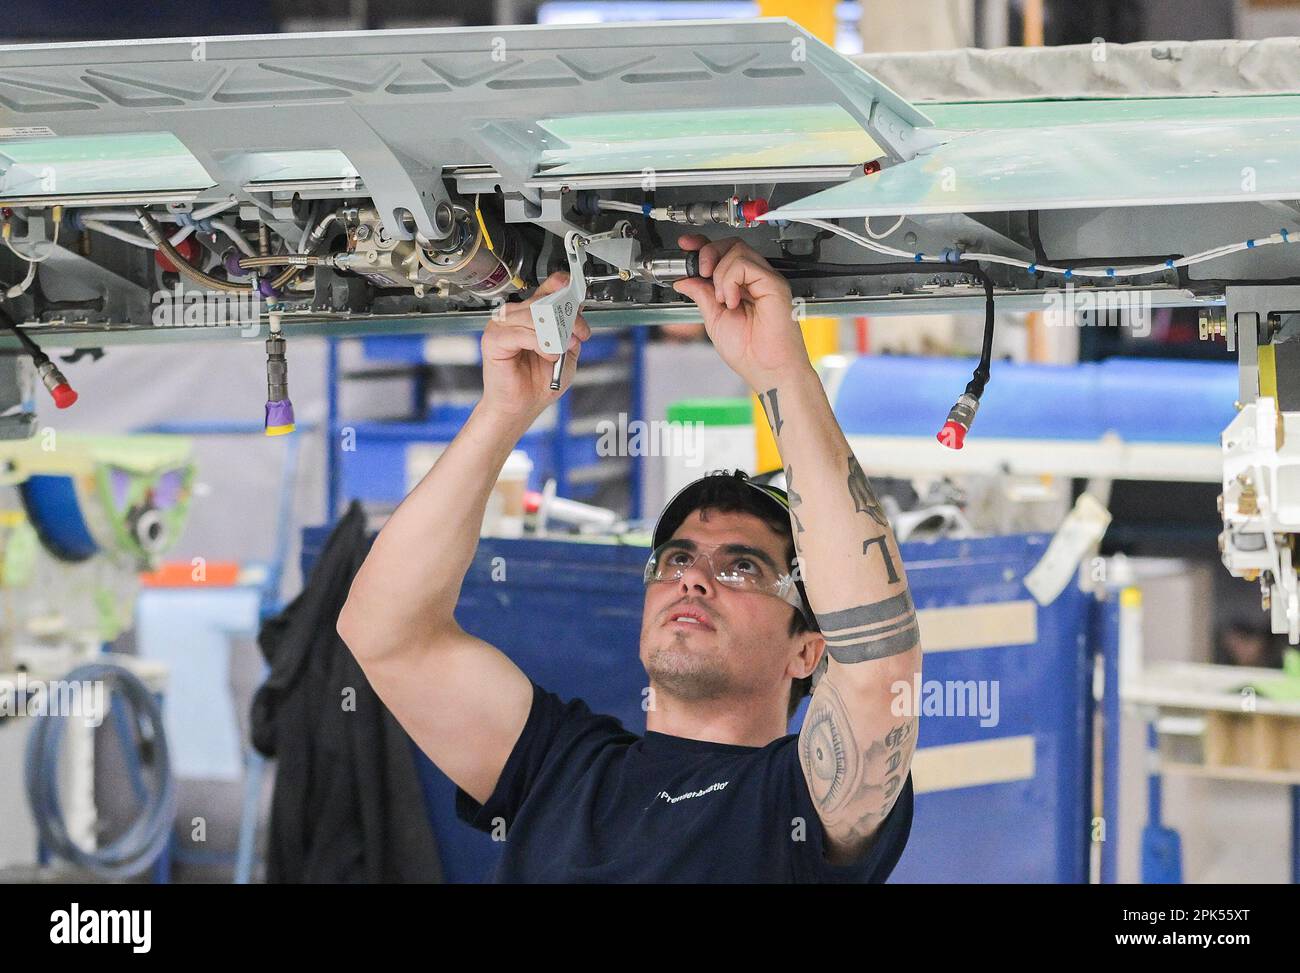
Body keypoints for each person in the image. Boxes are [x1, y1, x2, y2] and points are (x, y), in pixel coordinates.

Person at [338, 235, 923, 882]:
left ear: (809, 649)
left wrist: (783, 373)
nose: (694, 579)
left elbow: (876, 665)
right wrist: (504, 412)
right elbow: (384, 631)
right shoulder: (561, 768)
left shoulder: (796, 799)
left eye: (742, 567)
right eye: (675, 559)